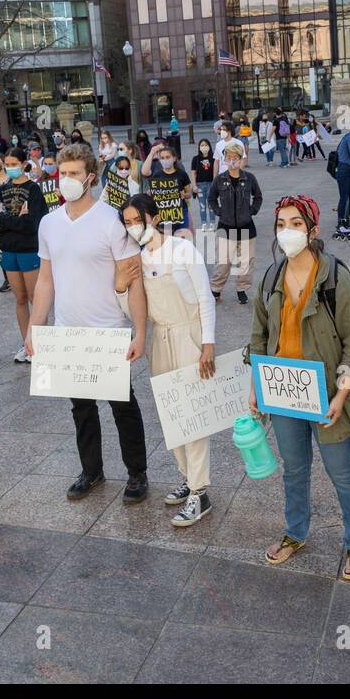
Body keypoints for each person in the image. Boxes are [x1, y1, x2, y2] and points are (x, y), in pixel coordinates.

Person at [251, 194, 350, 581]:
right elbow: (258, 334)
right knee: (294, 468)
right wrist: (256, 383)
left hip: (323, 391)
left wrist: (341, 394)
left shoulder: (335, 277)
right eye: (281, 224)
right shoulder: (271, 277)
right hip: (284, 389)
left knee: (341, 470)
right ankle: (295, 533)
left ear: (313, 230)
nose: (287, 231)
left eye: (296, 224)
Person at [26, 143, 149, 503]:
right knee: (81, 407)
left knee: (122, 405)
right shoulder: (49, 223)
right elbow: (45, 280)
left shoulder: (111, 221)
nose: (67, 180)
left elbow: (134, 277)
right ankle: (91, 471)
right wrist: (36, 327)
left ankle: (137, 473)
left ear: (90, 176)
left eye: (74, 174)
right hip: (69, 333)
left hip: (108, 331)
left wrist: (140, 332)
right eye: (63, 174)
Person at [115, 194, 217, 526]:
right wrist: (121, 287)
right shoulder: (137, 261)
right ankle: (187, 477)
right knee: (171, 412)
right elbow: (133, 311)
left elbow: (205, 298)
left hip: (190, 335)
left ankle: (200, 492)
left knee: (194, 413)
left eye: (137, 220)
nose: (133, 228)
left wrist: (208, 344)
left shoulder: (183, 249)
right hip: (159, 338)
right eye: (127, 223)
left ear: (154, 217)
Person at [0, 147, 49, 363]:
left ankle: (40, 343)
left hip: (29, 250)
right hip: (9, 251)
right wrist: (15, 220)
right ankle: (26, 343)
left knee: (35, 298)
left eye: (14, 164)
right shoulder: (1, 190)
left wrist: (6, 220)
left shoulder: (33, 190)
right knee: (20, 299)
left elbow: (33, 223)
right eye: (8, 164)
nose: (10, 167)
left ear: (24, 164)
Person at [206, 142, 262, 304]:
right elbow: (211, 198)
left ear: (241, 159)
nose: (232, 161)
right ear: (224, 159)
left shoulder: (249, 178)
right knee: (223, 262)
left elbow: (258, 197)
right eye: (229, 158)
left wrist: (251, 211)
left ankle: (241, 289)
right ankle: (215, 290)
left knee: (245, 262)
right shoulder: (219, 180)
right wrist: (219, 212)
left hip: (246, 227)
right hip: (226, 226)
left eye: (235, 158)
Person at [140, 141, 193, 236]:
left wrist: (184, 195)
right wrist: (151, 193)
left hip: (181, 211)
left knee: (182, 239)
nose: (165, 160)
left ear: (174, 158)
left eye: (167, 157)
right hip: (164, 214)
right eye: (162, 158)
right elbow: (145, 173)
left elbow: (189, 194)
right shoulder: (157, 175)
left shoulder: (182, 174)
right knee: (168, 241)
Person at [192, 137, 218, 231]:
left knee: (211, 205)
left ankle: (212, 223)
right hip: (200, 185)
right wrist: (194, 185)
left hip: (211, 184)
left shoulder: (214, 158)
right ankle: (203, 223)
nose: (204, 147)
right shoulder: (195, 159)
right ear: (199, 147)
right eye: (202, 145)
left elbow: (216, 171)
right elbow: (193, 173)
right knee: (202, 206)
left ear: (209, 146)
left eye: (206, 145)